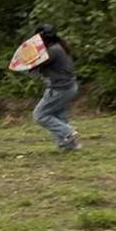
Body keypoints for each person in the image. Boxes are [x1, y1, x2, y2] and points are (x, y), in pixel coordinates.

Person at [30, 23, 81, 151]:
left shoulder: (53, 51)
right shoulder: (58, 47)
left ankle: (68, 132)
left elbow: (35, 64)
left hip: (60, 89)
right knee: (59, 116)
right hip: (68, 87)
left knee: (40, 115)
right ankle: (69, 146)